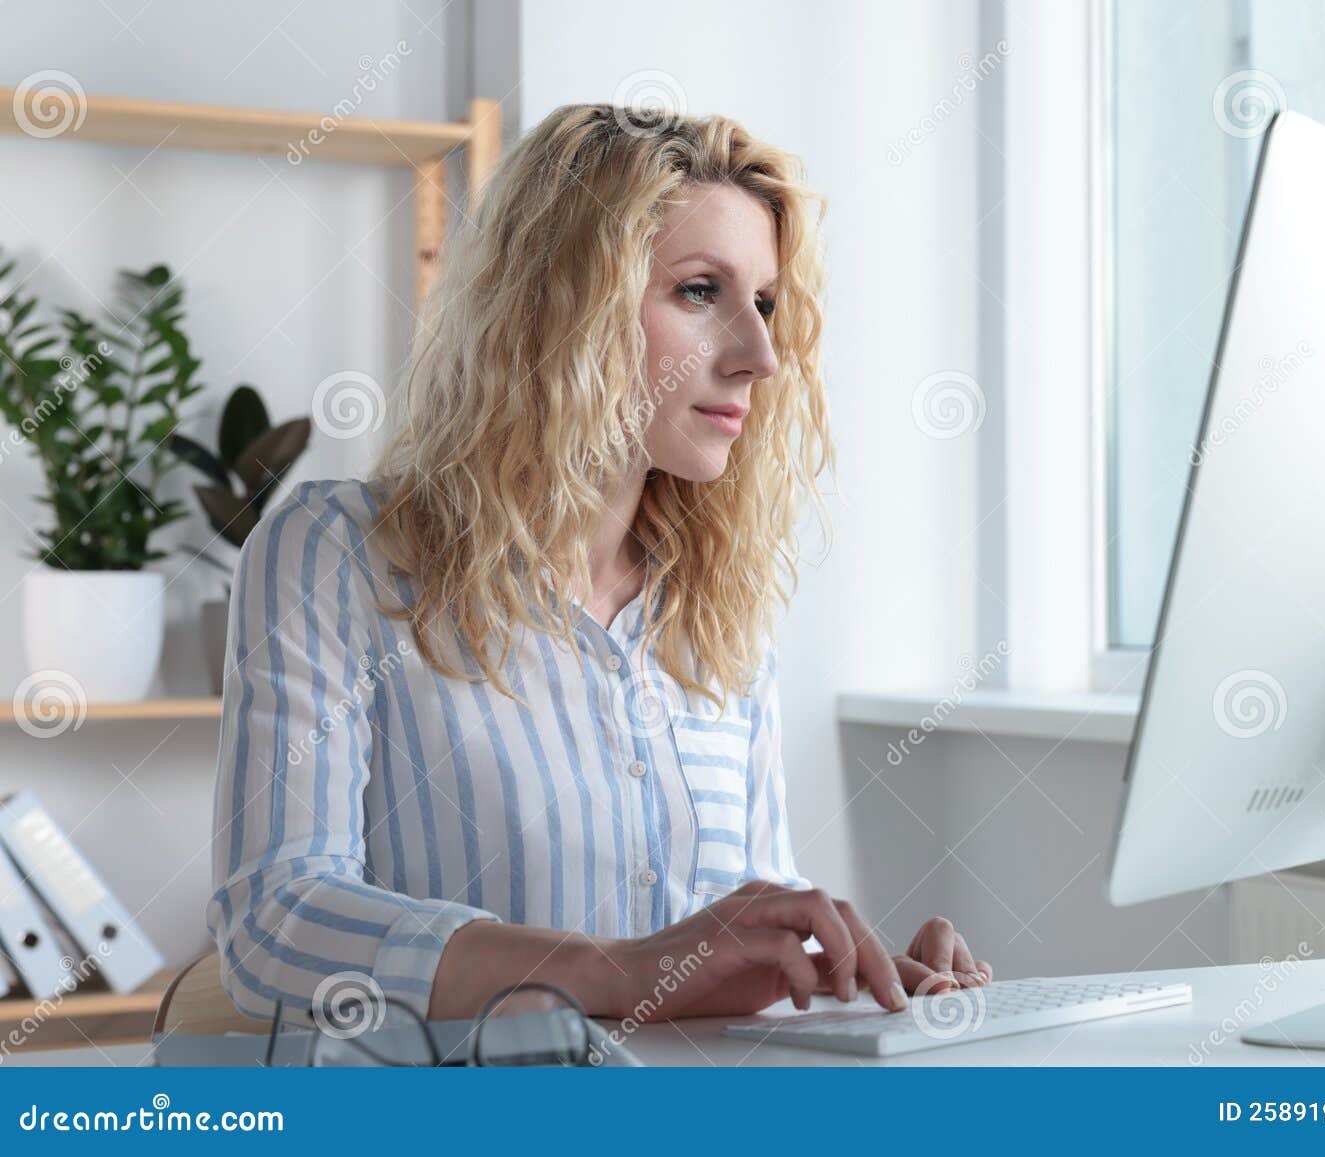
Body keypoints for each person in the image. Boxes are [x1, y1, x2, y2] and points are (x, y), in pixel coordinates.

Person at [207, 103, 992, 1028]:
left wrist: (847, 976)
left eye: (765, 302)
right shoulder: (336, 551)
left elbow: (733, 941)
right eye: (699, 291)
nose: (760, 355)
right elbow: (276, 921)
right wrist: (618, 972)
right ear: (559, 305)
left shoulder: (718, 608)